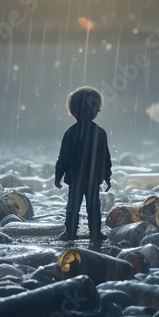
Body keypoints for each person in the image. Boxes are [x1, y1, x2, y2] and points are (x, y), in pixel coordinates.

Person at [54, 86, 112, 243]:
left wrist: (58, 175)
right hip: (93, 178)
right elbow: (106, 158)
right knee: (93, 207)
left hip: (76, 178)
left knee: (73, 207)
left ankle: (71, 232)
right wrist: (107, 176)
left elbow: (63, 158)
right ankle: (95, 232)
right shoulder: (100, 133)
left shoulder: (71, 132)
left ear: (73, 110)